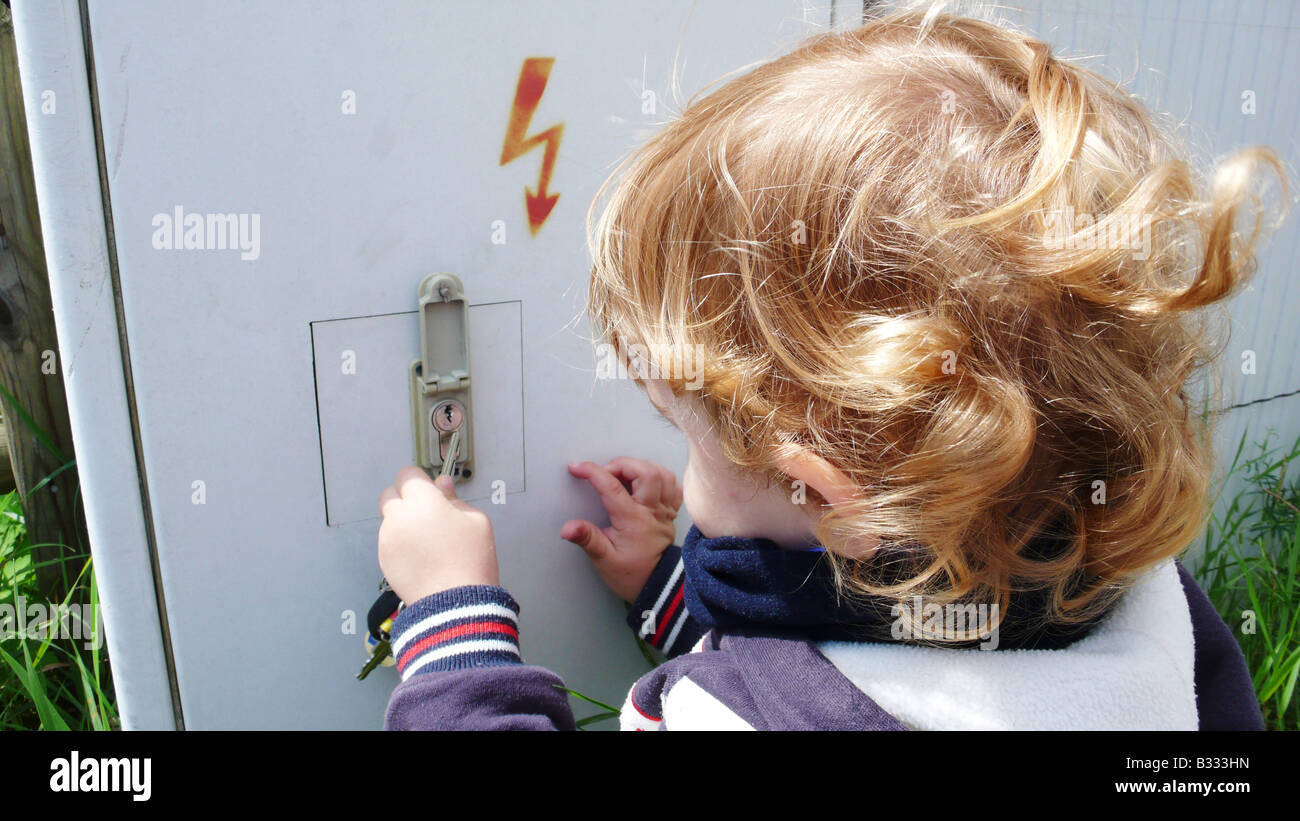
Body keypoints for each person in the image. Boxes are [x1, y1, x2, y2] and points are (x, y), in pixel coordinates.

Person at [377, 8, 1278, 730]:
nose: (688, 477)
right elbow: (855, 652)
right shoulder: (1144, 614)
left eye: (687, 438)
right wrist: (666, 586)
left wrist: (455, 627)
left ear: (828, 494)